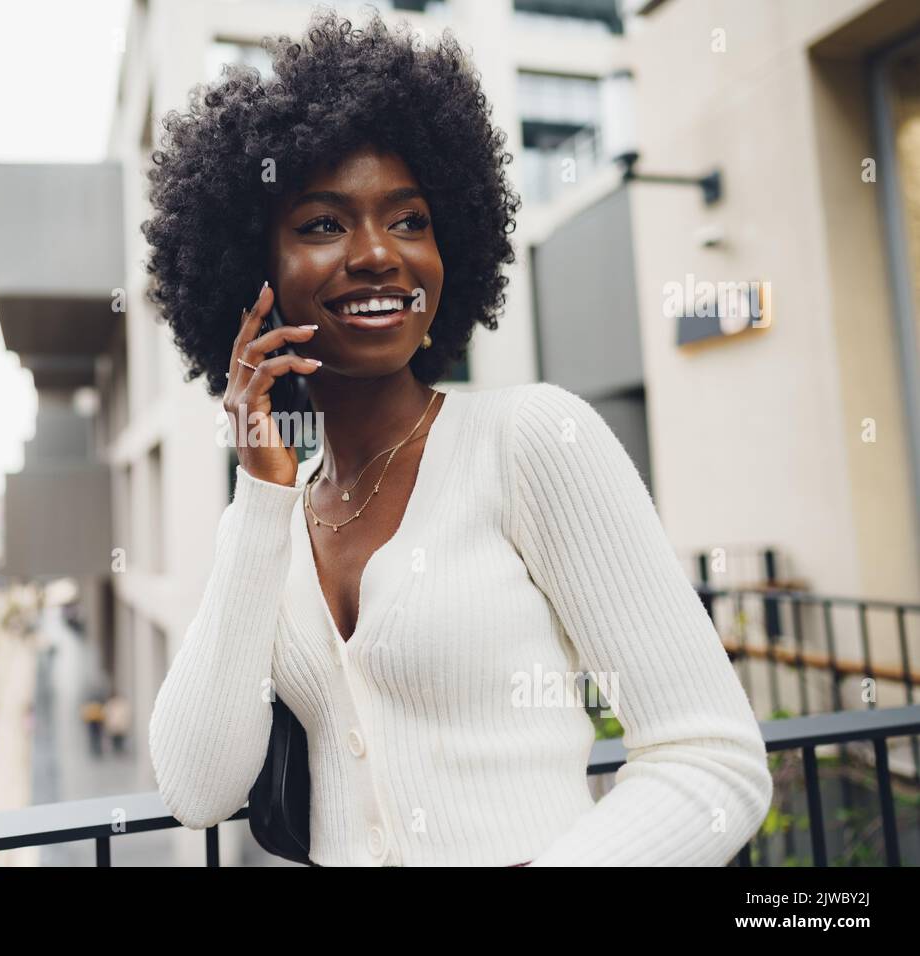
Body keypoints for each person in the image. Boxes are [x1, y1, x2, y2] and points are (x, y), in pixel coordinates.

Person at [143, 9, 772, 867]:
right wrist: (261, 492)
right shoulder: (265, 519)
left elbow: (714, 761)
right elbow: (196, 788)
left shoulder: (532, 439)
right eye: (324, 224)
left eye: (408, 220)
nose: (377, 254)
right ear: (254, 276)